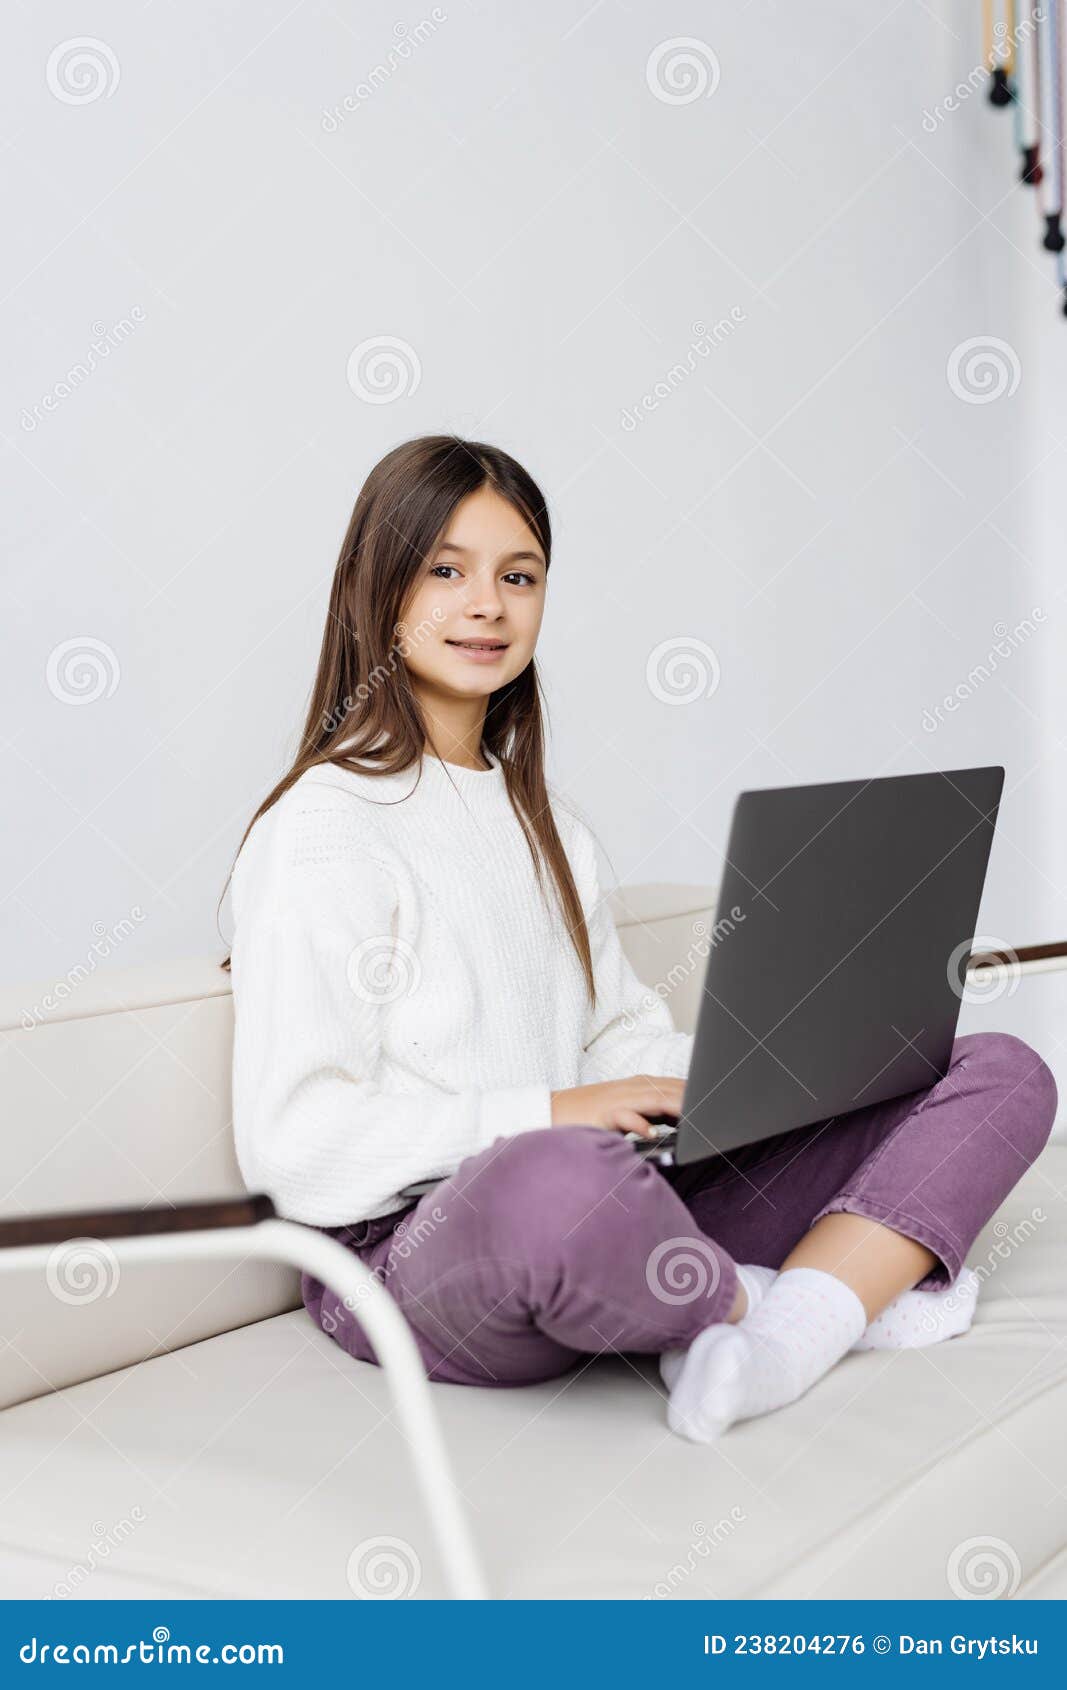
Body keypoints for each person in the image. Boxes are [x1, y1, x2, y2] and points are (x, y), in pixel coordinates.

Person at [220, 435, 1058, 1442]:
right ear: (376, 590)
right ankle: (781, 1306)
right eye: (446, 569)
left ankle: (780, 1333)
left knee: (998, 1071)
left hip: (619, 1200)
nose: (486, 604)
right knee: (557, 1173)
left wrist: (764, 1072)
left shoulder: (550, 825)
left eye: (517, 576)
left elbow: (618, 1046)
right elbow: (292, 1145)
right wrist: (552, 1110)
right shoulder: (323, 828)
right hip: (425, 1245)